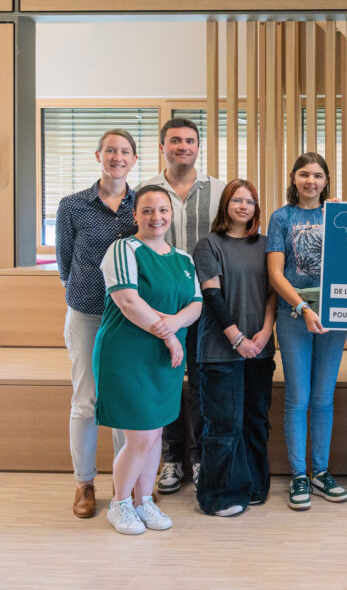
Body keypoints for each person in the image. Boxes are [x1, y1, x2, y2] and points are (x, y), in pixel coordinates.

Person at [93, 185, 204, 534]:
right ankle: (120, 503)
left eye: (163, 210)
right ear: (135, 215)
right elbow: (128, 301)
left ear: (172, 215)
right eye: (147, 211)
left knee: (155, 435)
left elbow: (196, 305)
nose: (156, 217)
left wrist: (175, 325)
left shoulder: (183, 258)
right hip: (127, 354)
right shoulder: (123, 249)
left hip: (164, 359)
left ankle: (144, 501)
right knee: (139, 437)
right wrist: (169, 333)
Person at [56, 128, 138, 518]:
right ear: (98, 155)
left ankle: (125, 482)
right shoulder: (72, 206)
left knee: (122, 402)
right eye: (110, 150)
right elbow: (64, 264)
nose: (117, 157)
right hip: (87, 314)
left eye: (124, 151)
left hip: (130, 317)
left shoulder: (143, 205)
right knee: (86, 401)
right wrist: (85, 295)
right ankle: (84, 484)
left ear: (135, 159)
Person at [141, 117, 226, 495]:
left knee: (200, 381)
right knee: (168, 380)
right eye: (175, 141)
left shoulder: (219, 190)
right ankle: (172, 457)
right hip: (161, 304)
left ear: (198, 146)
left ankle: (200, 455)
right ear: (163, 147)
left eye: (189, 141)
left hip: (205, 302)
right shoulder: (145, 191)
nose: (183, 147)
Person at [267, 152, 347, 510]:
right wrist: (301, 308)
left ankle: (320, 471)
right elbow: (275, 273)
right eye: (304, 174)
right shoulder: (281, 217)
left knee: (323, 398)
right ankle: (299, 474)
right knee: (298, 398)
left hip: (332, 314)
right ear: (293, 178)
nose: (311, 181)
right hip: (293, 312)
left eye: (317, 175)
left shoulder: (338, 215)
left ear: (327, 180)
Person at [192, 180, 276, 517]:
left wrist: (266, 333)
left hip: (260, 348)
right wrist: (237, 339)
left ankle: (255, 484)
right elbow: (212, 296)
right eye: (237, 200)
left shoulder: (267, 245)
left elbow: (273, 293)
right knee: (223, 423)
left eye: (250, 201)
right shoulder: (208, 245)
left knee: (255, 420)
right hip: (220, 349)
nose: (243, 206)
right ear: (225, 204)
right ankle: (218, 495)